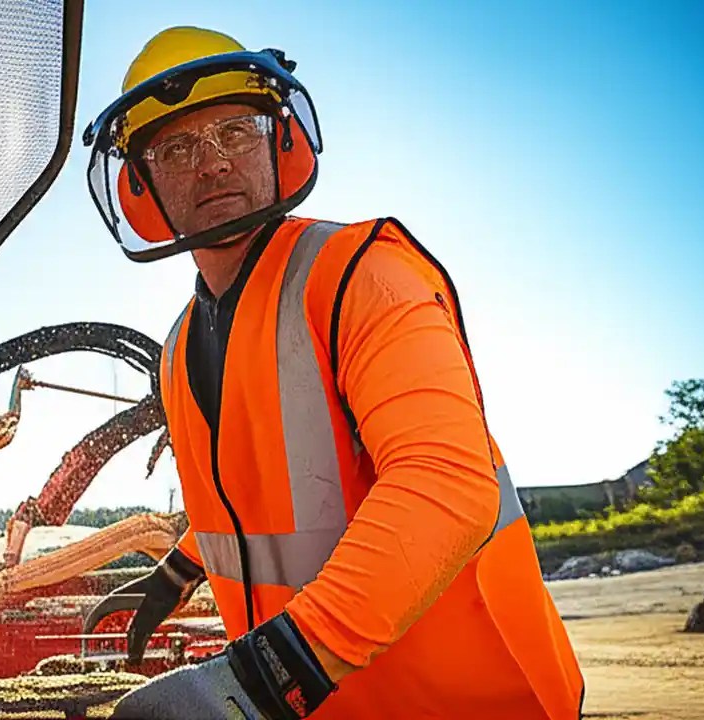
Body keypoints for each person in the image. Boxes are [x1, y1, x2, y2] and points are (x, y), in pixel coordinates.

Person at [80, 26, 585, 719]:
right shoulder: (179, 347)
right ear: (141, 184)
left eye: (236, 129)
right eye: (178, 147)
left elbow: (445, 480)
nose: (214, 163)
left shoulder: (360, 276)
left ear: (278, 141)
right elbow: (266, 493)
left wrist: (266, 676)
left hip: (477, 700)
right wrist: (179, 569)